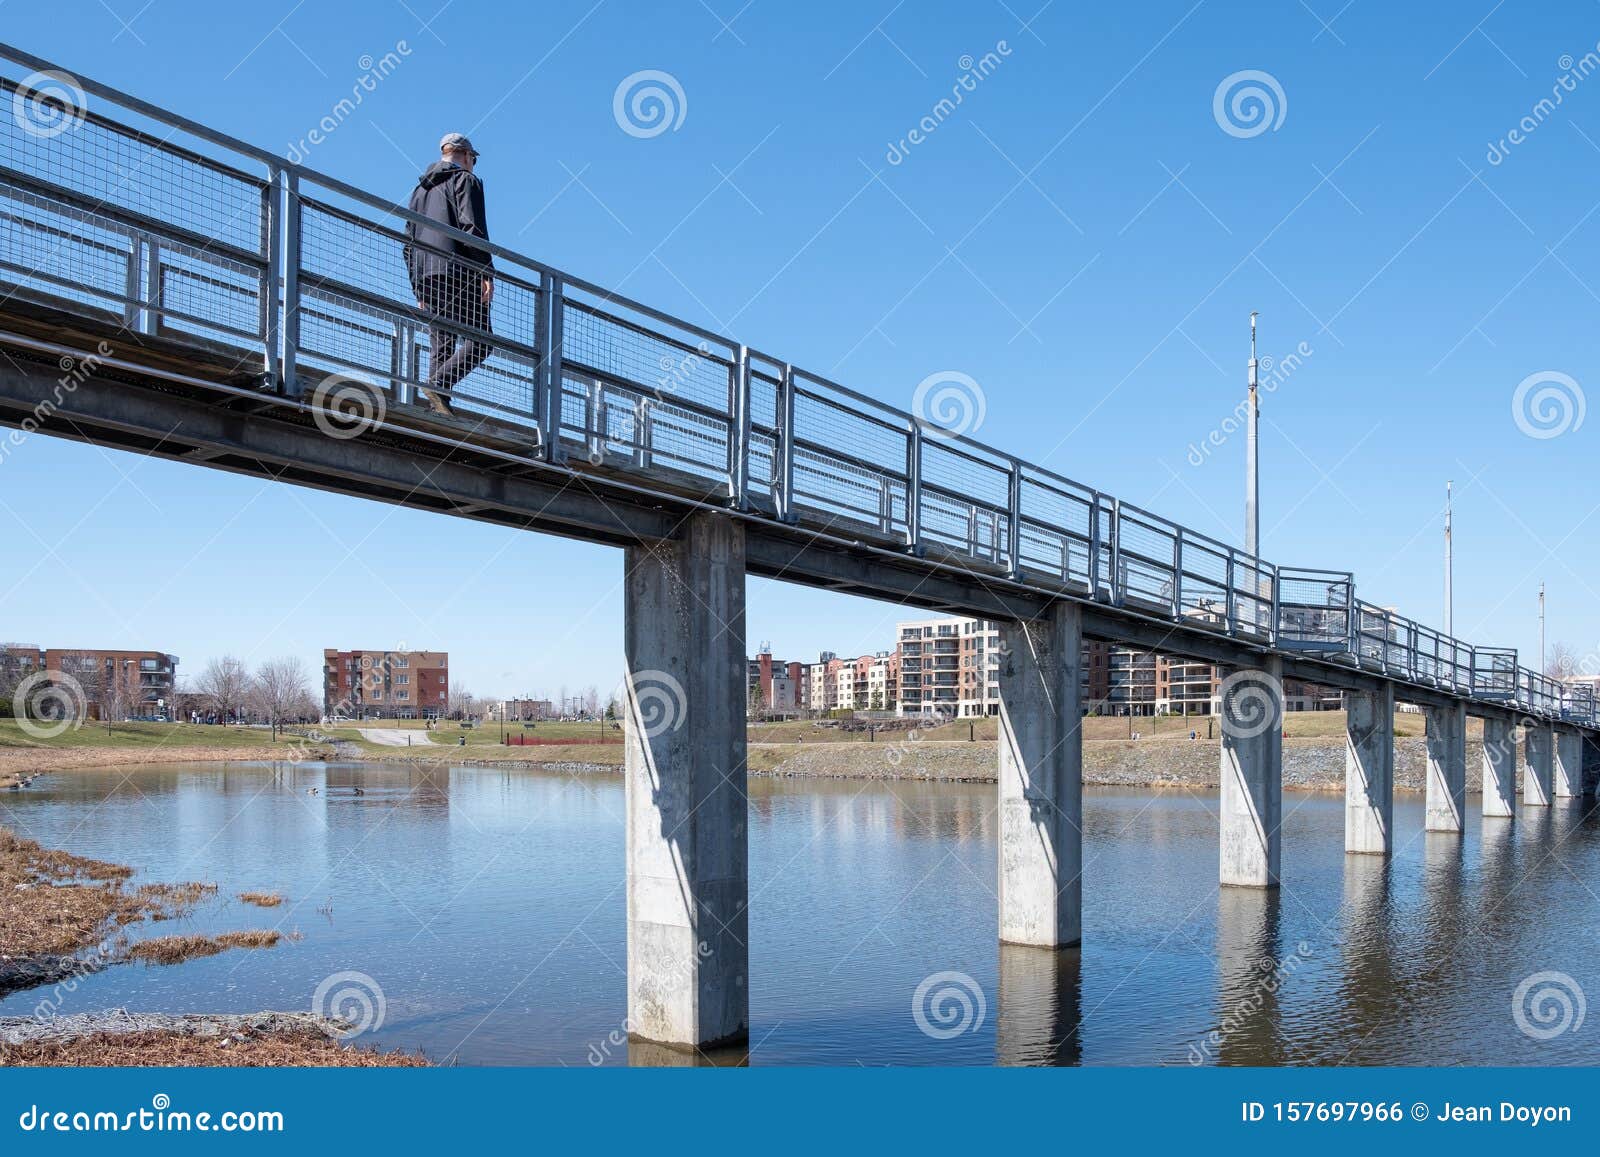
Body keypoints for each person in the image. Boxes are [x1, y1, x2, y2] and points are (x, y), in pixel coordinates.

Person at [403, 132, 494, 416]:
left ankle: (437, 407)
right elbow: (472, 229)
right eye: (474, 160)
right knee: (482, 340)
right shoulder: (466, 180)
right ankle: (439, 384)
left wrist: (418, 287)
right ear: (466, 156)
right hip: (458, 270)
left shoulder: (420, 191)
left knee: (441, 343)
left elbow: (409, 241)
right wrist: (486, 271)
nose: (473, 165)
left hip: (427, 275)